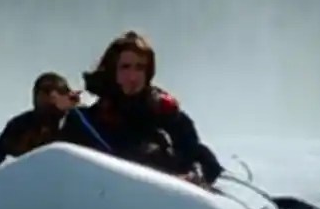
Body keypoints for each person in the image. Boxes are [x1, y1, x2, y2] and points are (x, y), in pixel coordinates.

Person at [59, 30, 224, 186]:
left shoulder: (166, 116)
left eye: (140, 68)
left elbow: (199, 157)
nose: (133, 76)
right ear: (112, 70)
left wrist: (193, 176)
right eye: (125, 67)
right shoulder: (85, 122)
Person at [0, 72, 80, 172]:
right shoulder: (19, 124)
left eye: (50, 92)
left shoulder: (77, 120)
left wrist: (75, 110)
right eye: (41, 92)